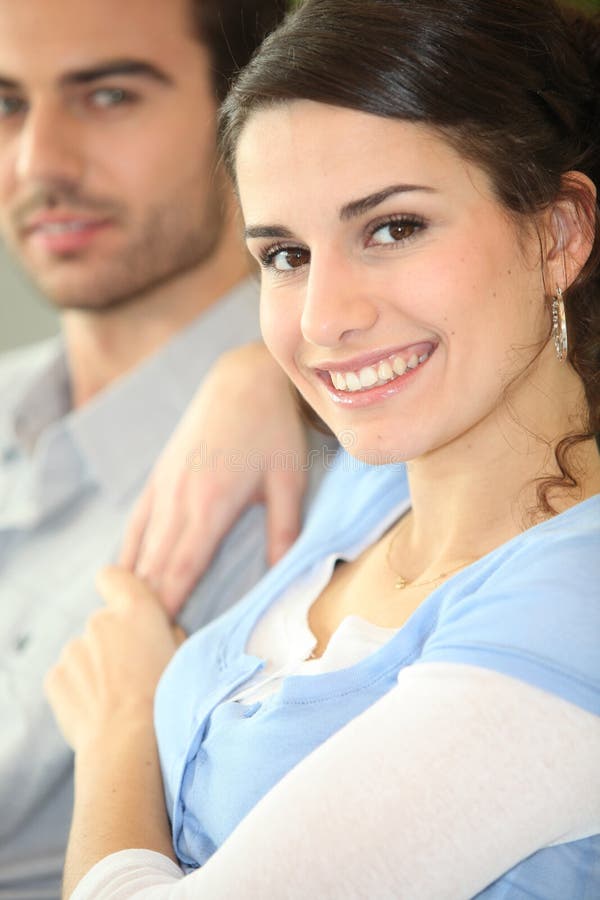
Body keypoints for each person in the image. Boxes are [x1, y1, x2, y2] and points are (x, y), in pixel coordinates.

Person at [46, 0, 600, 897]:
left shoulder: (569, 609)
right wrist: (248, 376)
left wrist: (118, 731)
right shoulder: (373, 486)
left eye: (394, 228)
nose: (322, 319)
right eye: (286, 255)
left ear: (558, 233)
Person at [0, 1, 311, 896]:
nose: (39, 163)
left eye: (108, 95)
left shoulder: (335, 457)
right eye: (7, 105)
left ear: (249, 103)